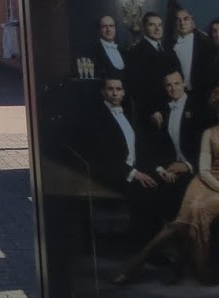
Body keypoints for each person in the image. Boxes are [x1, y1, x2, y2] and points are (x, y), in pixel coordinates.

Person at [115, 86, 219, 287]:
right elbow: (204, 170)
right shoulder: (209, 133)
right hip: (205, 181)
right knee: (178, 223)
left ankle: (183, 266)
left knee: (197, 214)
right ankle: (135, 265)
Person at [72, 74, 169, 242]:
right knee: (145, 192)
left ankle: (156, 243)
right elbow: (102, 156)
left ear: (124, 92)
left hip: (133, 168)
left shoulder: (127, 114)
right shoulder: (97, 118)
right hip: (111, 172)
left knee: (163, 185)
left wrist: (158, 168)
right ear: (103, 92)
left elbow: (139, 148)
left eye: (118, 89)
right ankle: (143, 246)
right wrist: (133, 174)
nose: (115, 93)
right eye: (110, 89)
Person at [148, 68, 205, 217]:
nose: (173, 88)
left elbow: (210, 148)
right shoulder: (162, 110)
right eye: (168, 85)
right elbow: (159, 146)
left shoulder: (199, 108)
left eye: (177, 83)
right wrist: (163, 168)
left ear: (184, 83)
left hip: (197, 168)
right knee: (153, 189)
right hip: (171, 168)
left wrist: (188, 165)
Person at [123, 12, 180, 121]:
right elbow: (135, 87)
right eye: (152, 25)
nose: (157, 28)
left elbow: (178, 75)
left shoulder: (169, 50)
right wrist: (151, 110)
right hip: (152, 112)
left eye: (159, 25)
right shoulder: (136, 52)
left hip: (173, 106)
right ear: (144, 28)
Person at [172, 6, 219, 103]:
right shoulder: (169, 47)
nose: (182, 23)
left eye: (186, 19)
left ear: (192, 21)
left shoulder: (206, 43)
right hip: (180, 98)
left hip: (204, 97)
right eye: (178, 20)